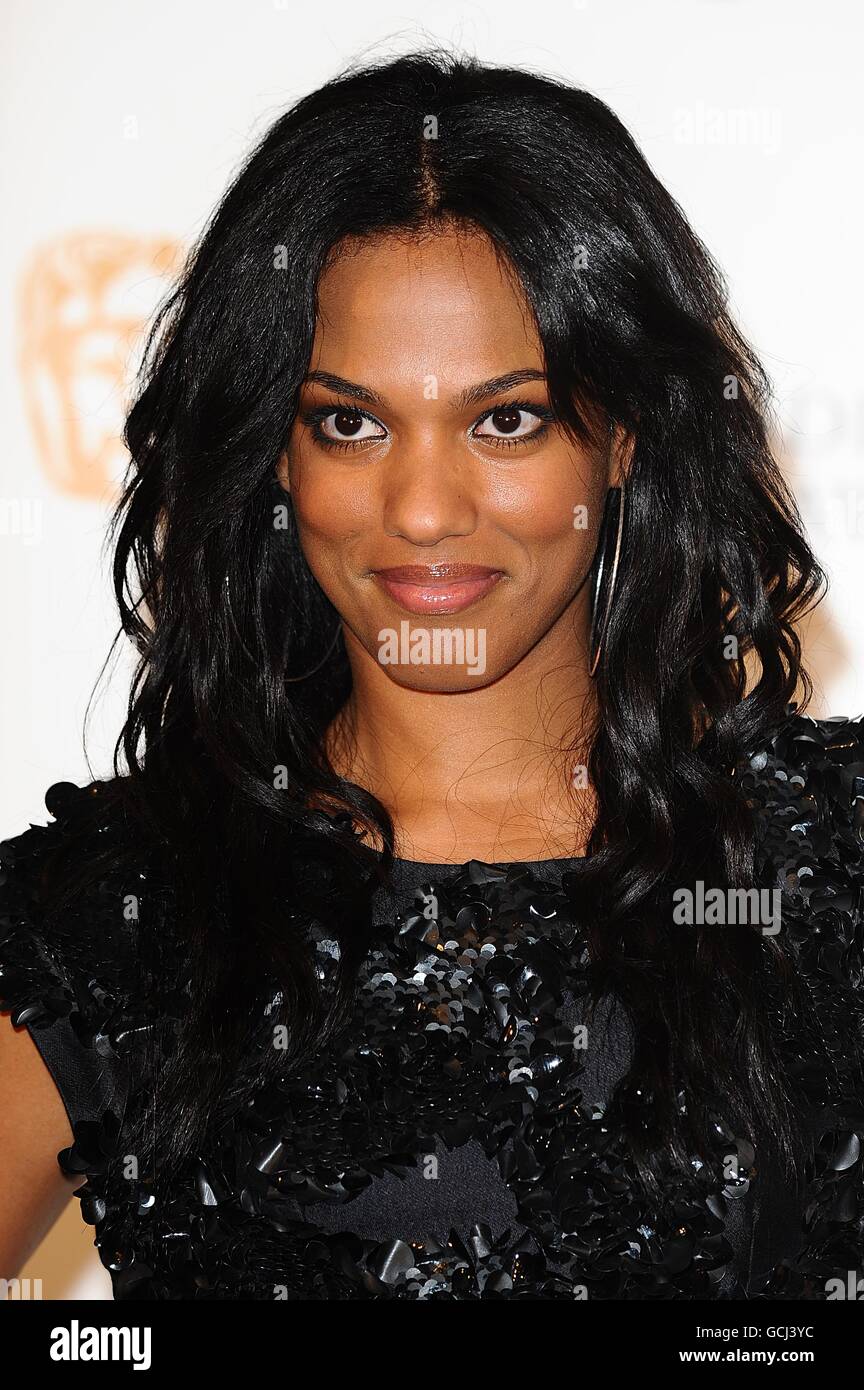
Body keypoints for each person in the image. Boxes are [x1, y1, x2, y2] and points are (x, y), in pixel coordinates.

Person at [1, 48, 863, 1301]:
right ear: (276, 457)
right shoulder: (124, 921)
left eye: (504, 417)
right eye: (348, 421)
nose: (419, 510)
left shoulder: (829, 867)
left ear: (622, 435)